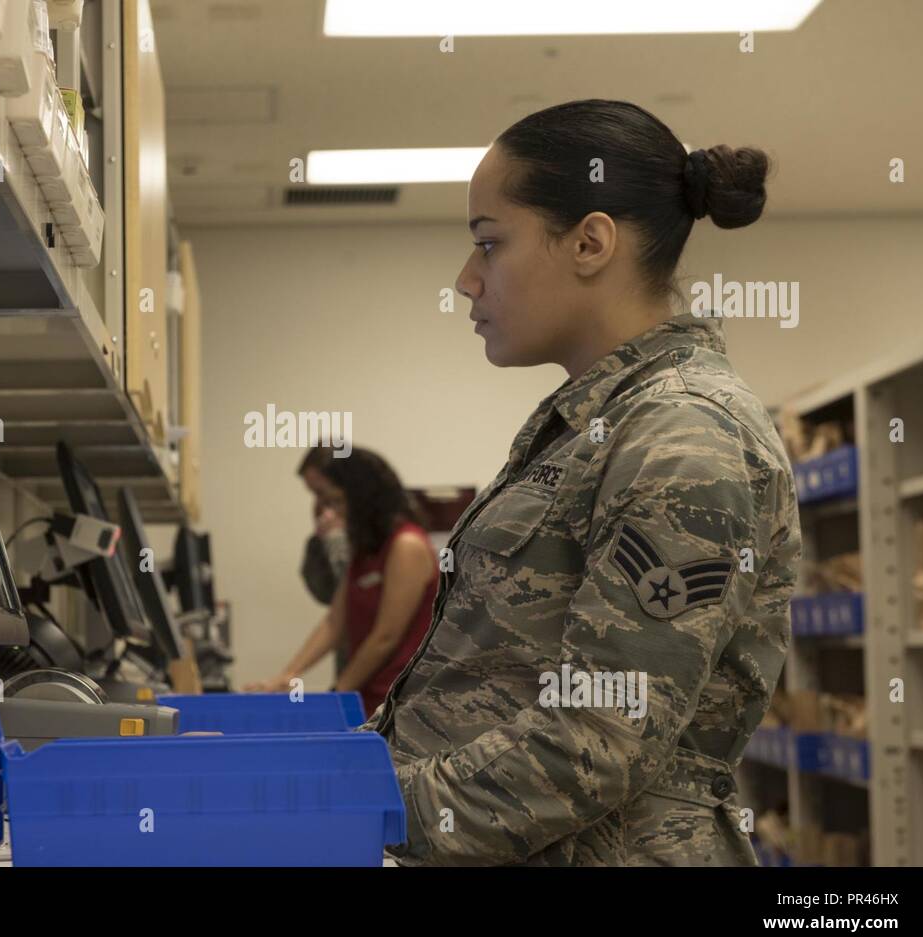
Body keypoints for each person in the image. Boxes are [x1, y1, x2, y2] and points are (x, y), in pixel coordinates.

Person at [362, 99, 802, 866]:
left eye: (489, 244)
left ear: (591, 242)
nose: (467, 280)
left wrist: (359, 807)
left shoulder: (682, 434)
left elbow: (598, 737)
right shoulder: (604, 419)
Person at [245, 447, 438, 716]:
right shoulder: (363, 549)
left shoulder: (406, 545)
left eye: (330, 497)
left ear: (358, 493)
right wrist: (288, 674)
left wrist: (337, 693)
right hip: (366, 700)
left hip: (402, 704)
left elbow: (386, 636)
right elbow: (335, 622)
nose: (325, 509)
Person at [297, 448, 352, 670]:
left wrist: (338, 542)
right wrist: (323, 543)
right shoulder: (326, 533)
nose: (320, 503)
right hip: (350, 660)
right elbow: (325, 594)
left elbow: (356, 599)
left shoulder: (393, 538)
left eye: (322, 492)